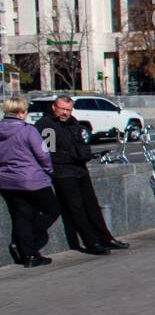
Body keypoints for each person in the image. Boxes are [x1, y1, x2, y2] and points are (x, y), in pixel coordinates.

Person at [35, 95, 128, 256]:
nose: (65, 113)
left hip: (80, 169)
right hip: (63, 173)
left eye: (69, 110)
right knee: (76, 209)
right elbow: (48, 153)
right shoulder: (46, 125)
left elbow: (81, 143)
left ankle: (106, 238)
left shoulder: (73, 122)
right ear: (53, 107)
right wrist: (71, 156)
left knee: (92, 206)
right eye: (62, 109)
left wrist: (83, 154)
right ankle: (91, 242)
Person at [0, 95, 61, 268]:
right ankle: (31, 239)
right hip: (31, 180)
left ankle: (30, 255)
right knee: (52, 209)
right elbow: (43, 154)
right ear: (20, 113)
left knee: (21, 216)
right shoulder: (28, 130)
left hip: (6, 181)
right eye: (25, 111)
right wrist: (49, 170)